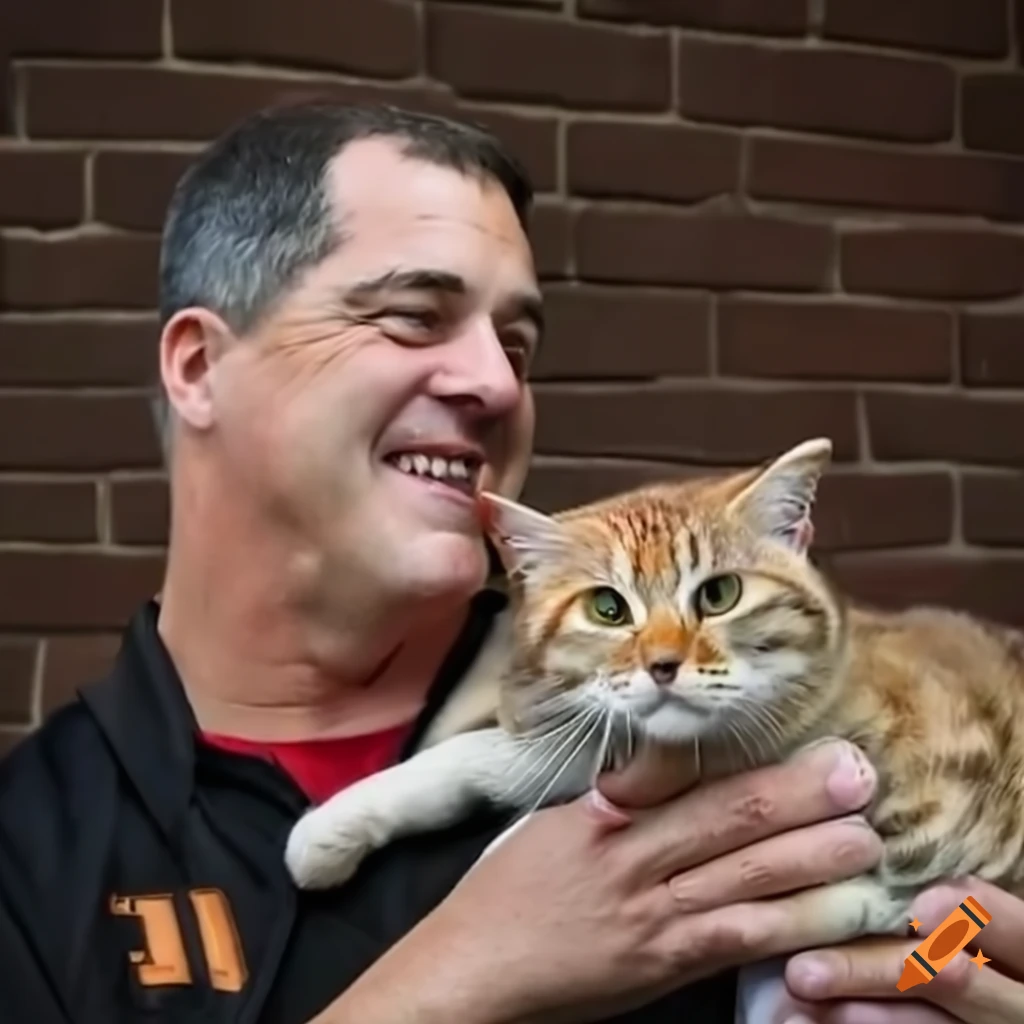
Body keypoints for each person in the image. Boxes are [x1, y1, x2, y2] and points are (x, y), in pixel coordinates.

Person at [0, 101, 1021, 1024]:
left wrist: (969, 956)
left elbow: (948, 910)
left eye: (519, 343)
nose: (496, 382)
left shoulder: (729, 722)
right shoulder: (28, 854)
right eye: (412, 315)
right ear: (198, 366)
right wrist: (459, 978)